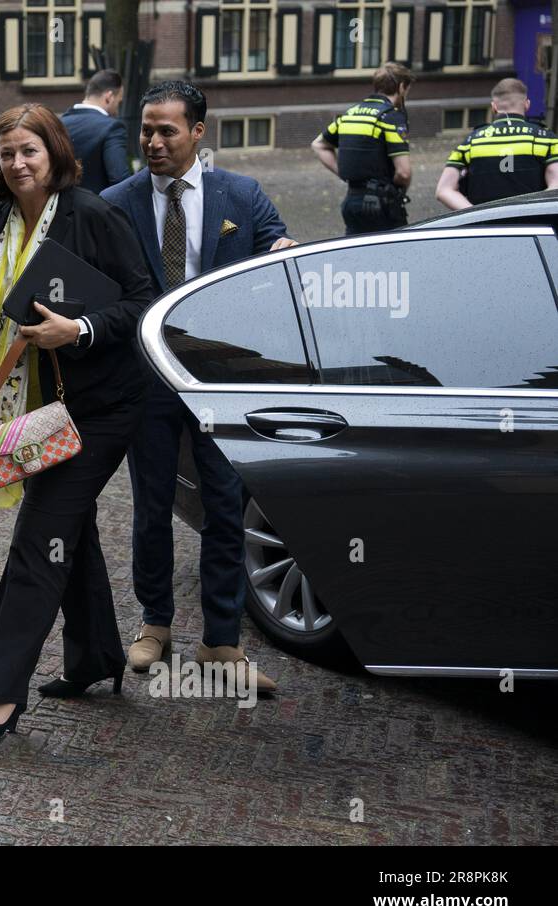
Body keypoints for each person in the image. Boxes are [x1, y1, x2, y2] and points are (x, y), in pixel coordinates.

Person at [0, 103, 156, 739]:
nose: (18, 164)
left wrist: (76, 329)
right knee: (66, 528)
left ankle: (0, 692)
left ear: (54, 152)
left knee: (39, 533)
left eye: (29, 151)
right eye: (5, 154)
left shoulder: (93, 215)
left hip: (101, 405)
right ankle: (96, 658)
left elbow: (142, 302)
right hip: (31, 403)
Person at [101, 81, 293, 693]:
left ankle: (221, 640)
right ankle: (155, 624)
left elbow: (274, 257)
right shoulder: (116, 203)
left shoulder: (242, 193)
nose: (153, 142)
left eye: (168, 131)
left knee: (225, 505)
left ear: (199, 132)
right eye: (147, 130)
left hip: (221, 382)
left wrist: (284, 251)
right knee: (152, 506)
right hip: (149, 382)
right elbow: (101, 293)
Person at [312, 62, 414, 234]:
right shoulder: (390, 116)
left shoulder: (350, 114)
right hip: (382, 204)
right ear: (402, 87)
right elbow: (404, 173)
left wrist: (344, 172)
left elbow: (319, 145)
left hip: (352, 201)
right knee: (393, 256)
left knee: (356, 256)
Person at [436, 78, 558, 210]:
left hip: (486, 228)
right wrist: (531, 211)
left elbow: (444, 190)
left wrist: (476, 215)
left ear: (493, 107)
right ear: (527, 104)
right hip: (530, 226)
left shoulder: (472, 141)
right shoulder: (546, 139)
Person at [61, 70, 131, 194]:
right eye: (119, 102)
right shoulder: (113, 127)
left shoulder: (58, 124)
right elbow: (119, 179)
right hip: (97, 209)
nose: (117, 109)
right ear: (109, 97)